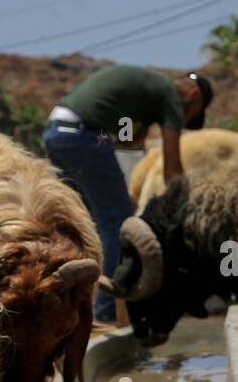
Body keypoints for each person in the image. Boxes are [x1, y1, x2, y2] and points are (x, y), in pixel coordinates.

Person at [44, 66, 212, 322]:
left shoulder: (150, 90)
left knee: (80, 225)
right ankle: (107, 312)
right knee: (119, 221)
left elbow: (124, 138)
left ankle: (63, 304)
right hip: (83, 136)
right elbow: (172, 171)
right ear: (193, 95)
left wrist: (139, 132)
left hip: (57, 131)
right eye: (189, 118)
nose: (182, 122)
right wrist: (187, 208)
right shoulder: (171, 96)